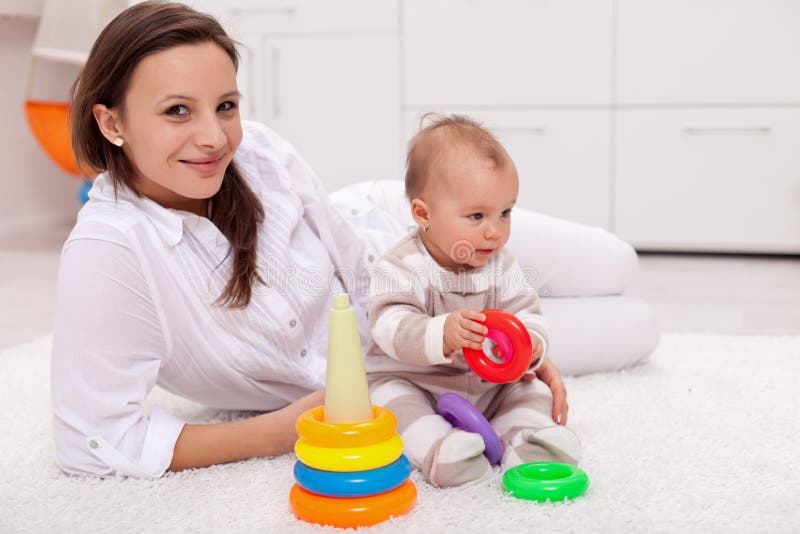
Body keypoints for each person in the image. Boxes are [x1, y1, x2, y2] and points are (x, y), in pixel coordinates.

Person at [52, 1, 657, 480]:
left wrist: (515, 335)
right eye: (177, 111)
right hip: (408, 353)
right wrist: (283, 428)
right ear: (112, 122)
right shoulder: (112, 252)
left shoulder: (256, 149)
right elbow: (92, 442)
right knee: (635, 328)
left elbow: (359, 264)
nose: (214, 137)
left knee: (613, 263)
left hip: (418, 234)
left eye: (225, 105)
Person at [365, 115, 580, 487]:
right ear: (423, 214)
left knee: (530, 388)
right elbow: (388, 325)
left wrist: (531, 345)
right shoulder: (400, 265)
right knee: (388, 400)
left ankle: (528, 443)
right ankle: (442, 451)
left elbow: (527, 312)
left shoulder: (502, 264)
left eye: (505, 212)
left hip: (487, 386)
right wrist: (442, 332)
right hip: (418, 384)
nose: (494, 231)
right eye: (476, 216)